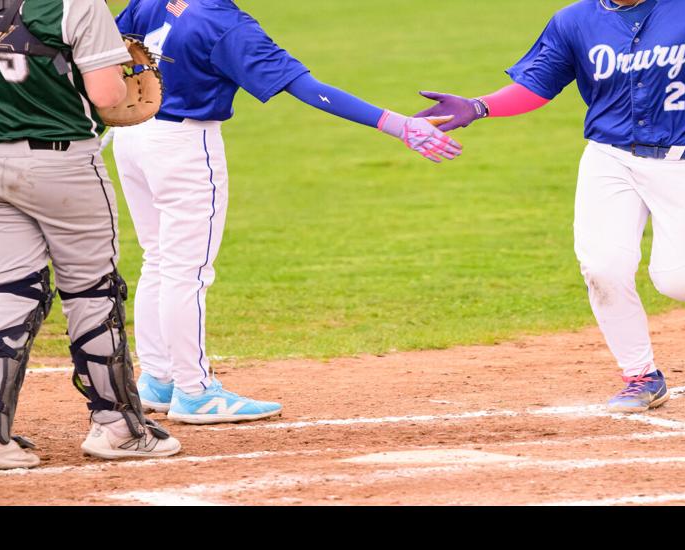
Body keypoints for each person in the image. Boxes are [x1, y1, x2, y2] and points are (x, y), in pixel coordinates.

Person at [414, 0, 685, 411]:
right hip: (610, 157)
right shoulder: (573, 21)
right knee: (602, 266)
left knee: (683, 284)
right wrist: (478, 106)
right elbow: (537, 86)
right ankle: (641, 376)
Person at [112, 0, 462, 424]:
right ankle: (194, 390)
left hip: (133, 136)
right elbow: (307, 88)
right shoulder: (227, 25)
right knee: (188, 270)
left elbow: (114, 44)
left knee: (159, 258)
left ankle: (159, 378)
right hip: (185, 147)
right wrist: (396, 124)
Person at [0, 0, 179, 469]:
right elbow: (108, 95)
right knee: (92, 290)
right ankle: (116, 427)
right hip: (63, 166)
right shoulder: (78, 5)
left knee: (12, 291)